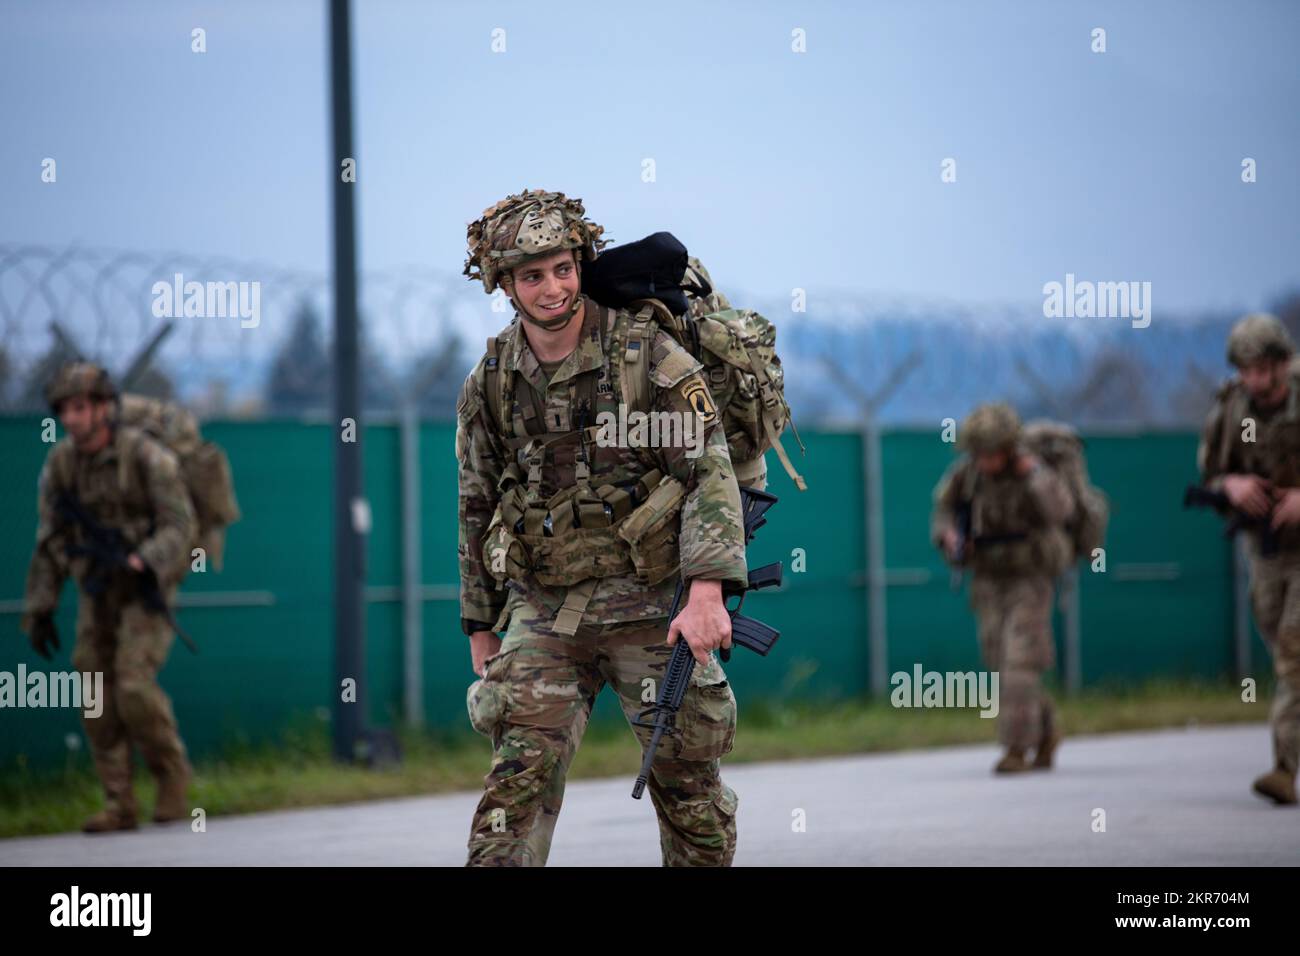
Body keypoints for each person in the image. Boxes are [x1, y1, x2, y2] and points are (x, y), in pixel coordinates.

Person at [456, 189, 749, 865]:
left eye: (562, 267)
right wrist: (481, 624)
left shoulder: (645, 356)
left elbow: (708, 470)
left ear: (581, 262)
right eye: (531, 275)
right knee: (515, 784)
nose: (552, 287)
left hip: (653, 602)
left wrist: (707, 591)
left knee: (688, 789)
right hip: (545, 605)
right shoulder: (493, 379)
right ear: (505, 284)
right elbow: (475, 502)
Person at [21, 363, 196, 832]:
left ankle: (172, 776)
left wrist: (144, 559)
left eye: (80, 409)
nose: (72, 420)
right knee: (95, 693)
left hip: (145, 588)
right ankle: (119, 802)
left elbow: (182, 526)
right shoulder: (61, 465)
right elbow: (51, 539)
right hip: (97, 589)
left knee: (134, 685)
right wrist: (41, 607)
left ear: (103, 409)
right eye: (64, 411)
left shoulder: (146, 458)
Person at [931, 403, 1075, 773]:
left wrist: (1035, 476)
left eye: (989, 453)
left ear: (1008, 449)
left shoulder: (1033, 473)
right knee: (999, 660)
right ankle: (1045, 731)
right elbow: (943, 508)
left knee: (1020, 662)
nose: (982, 461)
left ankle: (1016, 749)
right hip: (988, 578)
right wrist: (948, 536)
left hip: (1030, 576)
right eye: (976, 453)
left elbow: (1061, 511)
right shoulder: (968, 475)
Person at [1197, 313, 1300, 805]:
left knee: (1295, 652)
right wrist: (1231, 485)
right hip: (1266, 548)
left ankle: (1284, 768)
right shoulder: (1233, 408)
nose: (1256, 380)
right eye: (1246, 369)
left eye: (1264, 369)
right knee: (1281, 645)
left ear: (1283, 363)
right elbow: (1212, 473)